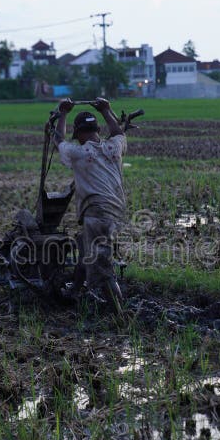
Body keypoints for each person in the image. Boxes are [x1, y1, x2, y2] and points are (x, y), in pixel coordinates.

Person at [52, 97, 127, 310]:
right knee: (86, 250)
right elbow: (119, 133)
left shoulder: (79, 152)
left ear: (79, 133)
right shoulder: (114, 147)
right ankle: (74, 290)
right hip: (115, 211)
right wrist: (106, 110)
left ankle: (119, 315)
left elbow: (58, 140)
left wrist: (63, 113)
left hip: (97, 213)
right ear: (97, 129)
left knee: (102, 266)